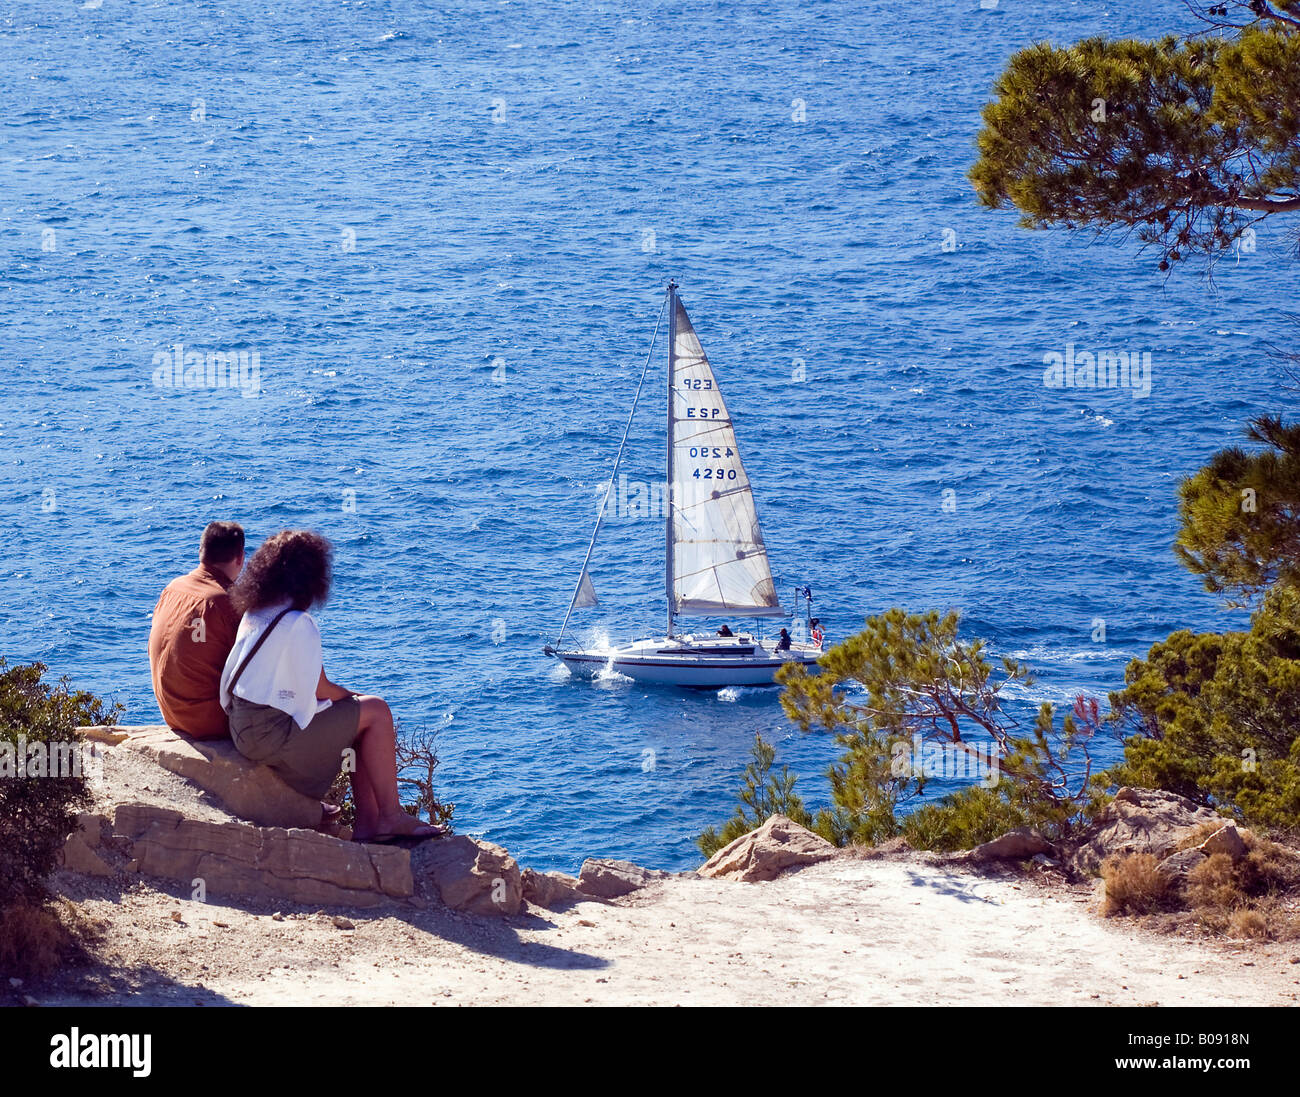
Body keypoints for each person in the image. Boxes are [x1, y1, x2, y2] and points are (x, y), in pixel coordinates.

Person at [218, 529, 441, 844]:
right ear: (311, 575)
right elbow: (320, 689)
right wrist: (356, 698)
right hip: (269, 734)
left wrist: (349, 706)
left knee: (353, 720)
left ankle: (368, 826)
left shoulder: (257, 611)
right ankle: (390, 816)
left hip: (242, 727)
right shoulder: (298, 622)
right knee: (375, 711)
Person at [148, 521, 245, 740]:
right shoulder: (227, 601)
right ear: (240, 558)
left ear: (201, 552)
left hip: (172, 715)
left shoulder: (172, 588)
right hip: (209, 723)